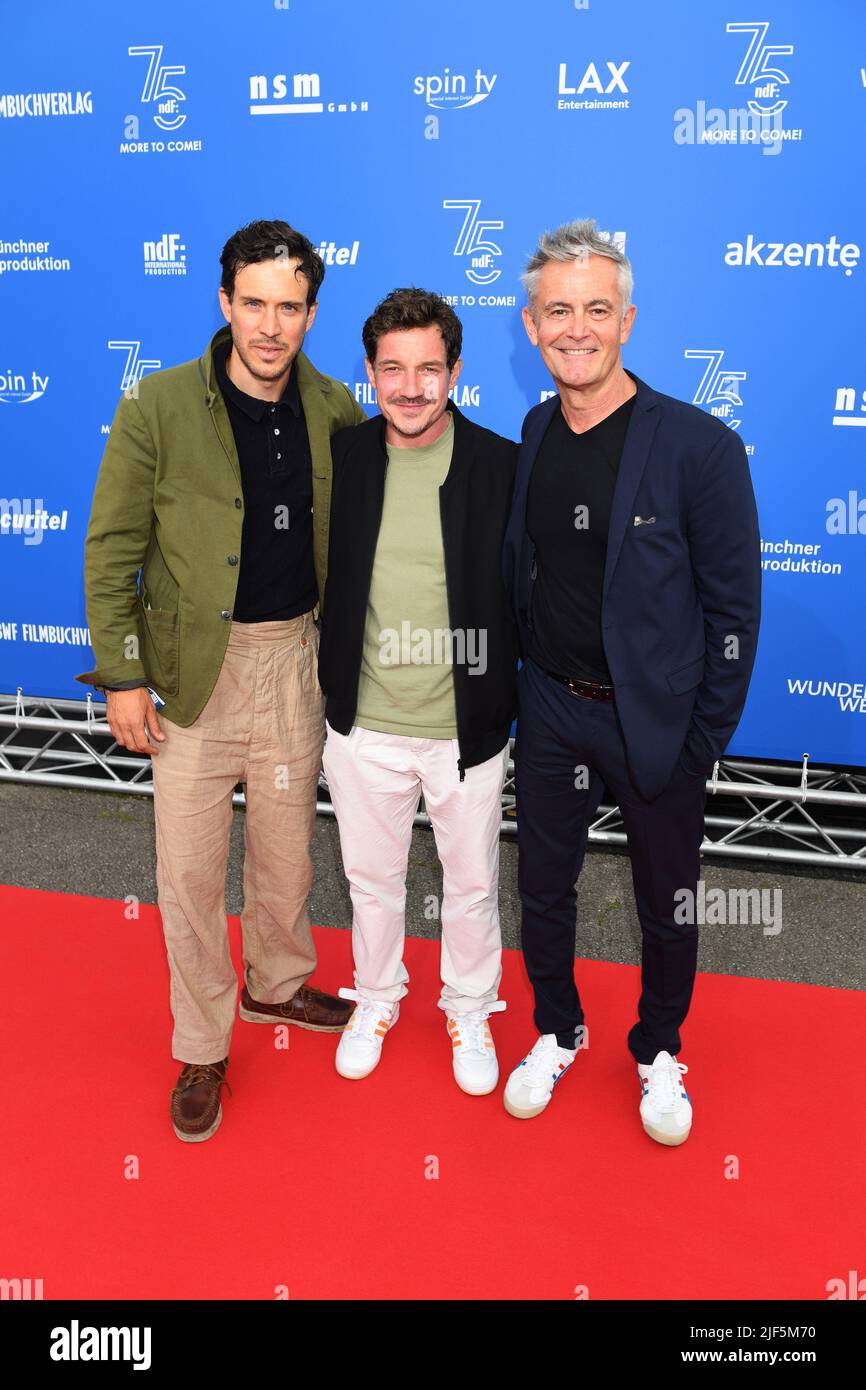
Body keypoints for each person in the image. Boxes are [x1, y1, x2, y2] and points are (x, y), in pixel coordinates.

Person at [77, 219, 367, 1142]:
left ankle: (276, 986)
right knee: (191, 871)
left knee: (286, 856)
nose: (270, 325)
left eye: (289, 307)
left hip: (297, 664)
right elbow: (113, 544)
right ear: (223, 302)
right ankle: (202, 1042)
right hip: (197, 671)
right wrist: (123, 675)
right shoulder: (157, 406)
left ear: (312, 313)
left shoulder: (337, 412)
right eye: (254, 304)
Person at [502, 220, 761, 1144]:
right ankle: (557, 1028)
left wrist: (702, 740)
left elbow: (734, 613)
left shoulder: (700, 447)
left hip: (655, 723)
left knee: (667, 898)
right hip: (551, 710)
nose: (578, 328)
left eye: (597, 310)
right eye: (559, 310)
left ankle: (658, 1049)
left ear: (628, 321)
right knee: (542, 888)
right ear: (530, 325)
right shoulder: (535, 430)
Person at [318, 288, 519, 1095]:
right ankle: (376, 996)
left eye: (428, 369)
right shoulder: (346, 457)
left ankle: (470, 1006)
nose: (409, 387)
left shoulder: (502, 464)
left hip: (464, 728)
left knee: (471, 884)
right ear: (369, 372)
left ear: (456, 371)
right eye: (392, 369)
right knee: (371, 881)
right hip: (362, 723)